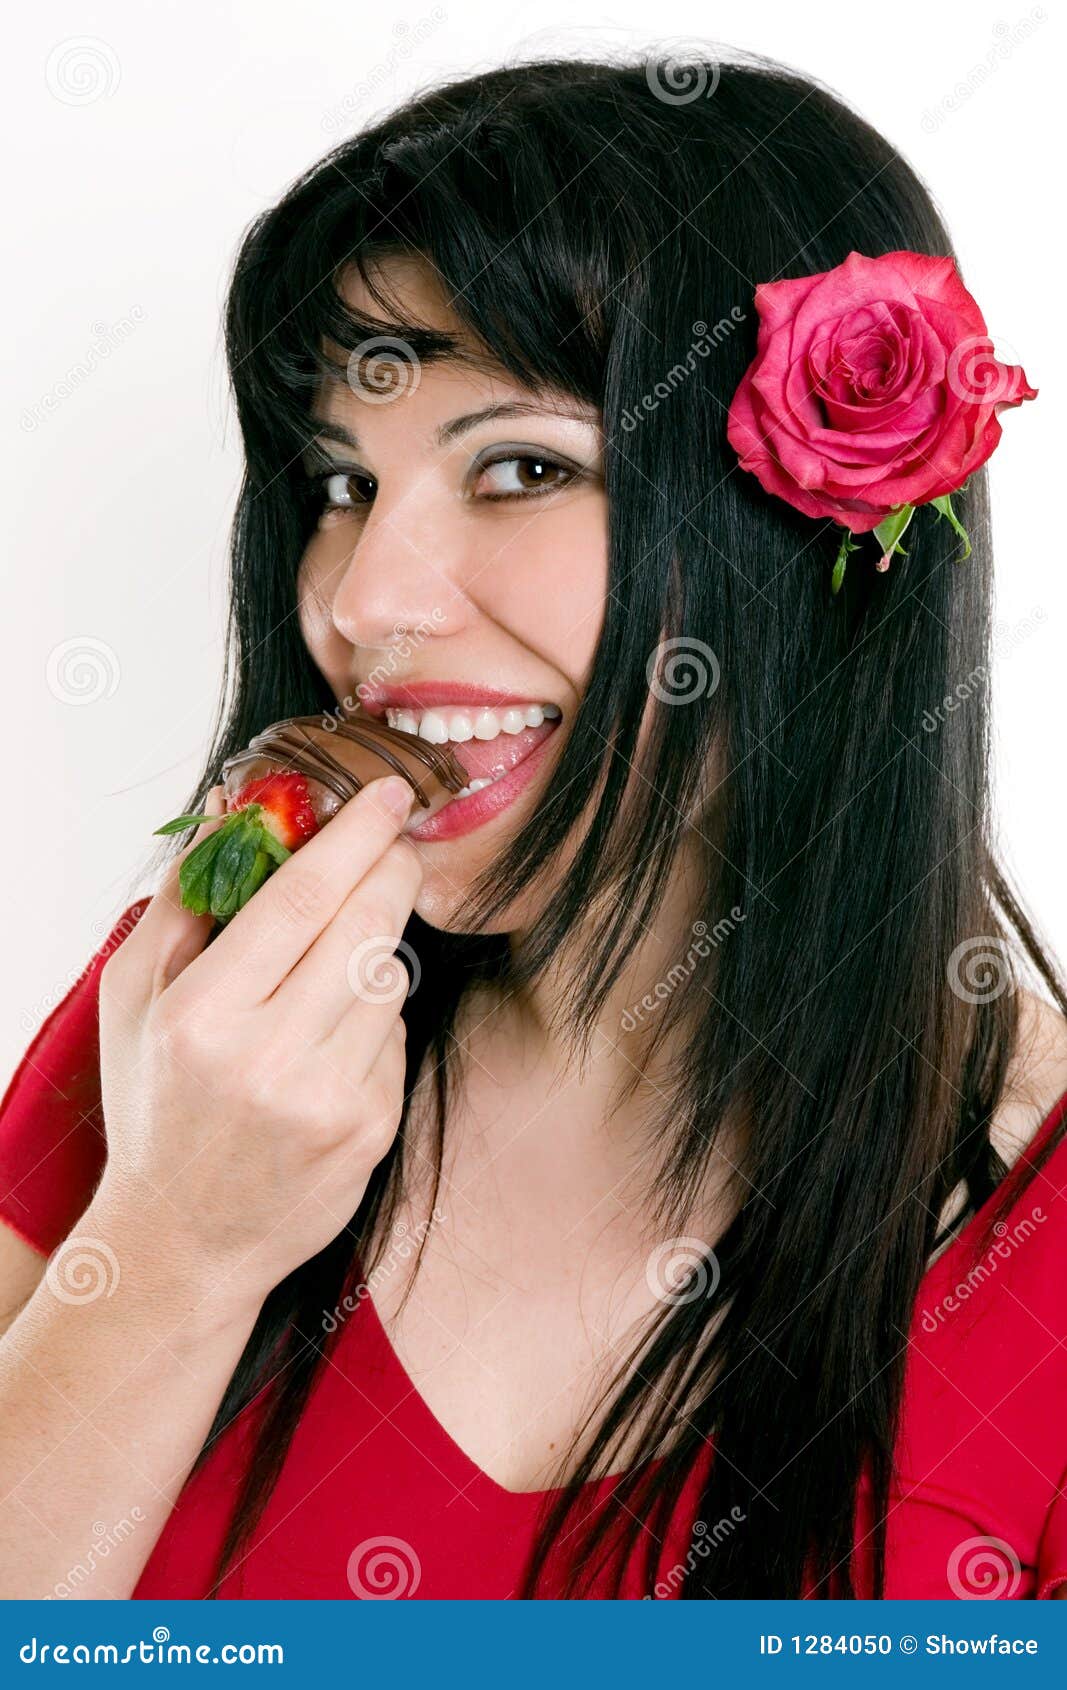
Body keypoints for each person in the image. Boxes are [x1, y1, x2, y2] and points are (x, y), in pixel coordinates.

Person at [2, 51, 1065, 1601]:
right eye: (339, 481)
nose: (362, 600)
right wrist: (176, 1242)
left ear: (800, 541)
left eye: (518, 467)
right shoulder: (205, 1020)